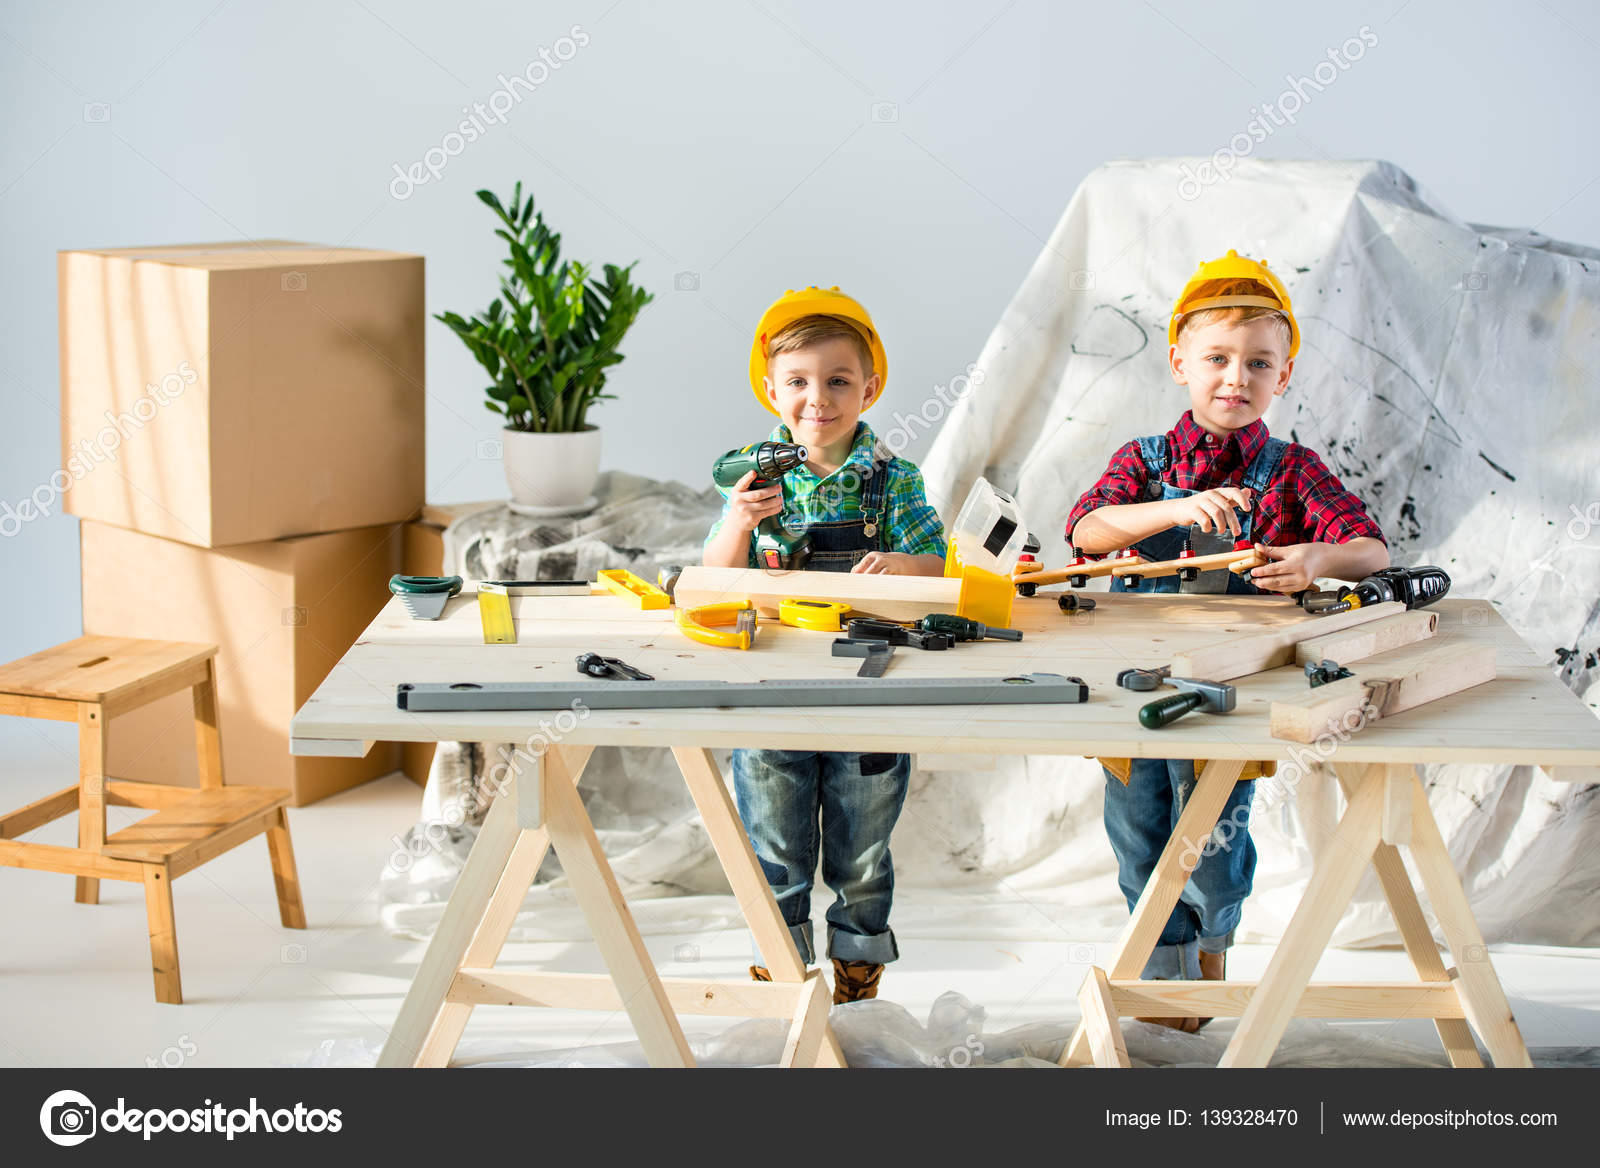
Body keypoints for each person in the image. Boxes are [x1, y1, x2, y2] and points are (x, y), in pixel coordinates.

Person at [1066, 251, 1390, 1030]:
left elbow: (1372, 550)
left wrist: (1317, 558)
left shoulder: (1291, 469)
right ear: (1179, 361)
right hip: (1139, 681)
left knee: (1215, 831)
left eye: (1258, 364)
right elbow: (1087, 529)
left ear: (1283, 376)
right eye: (1216, 359)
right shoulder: (1142, 463)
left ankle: (1210, 949)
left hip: (1235, 686)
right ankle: (1160, 974)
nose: (1234, 379)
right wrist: (1175, 513)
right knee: (1140, 827)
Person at [703, 285, 946, 1003]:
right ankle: (780, 970)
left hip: (870, 687)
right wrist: (739, 522)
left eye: (839, 381)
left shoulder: (893, 479)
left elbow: (937, 566)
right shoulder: (753, 476)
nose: (819, 400)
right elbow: (716, 578)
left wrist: (904, 566)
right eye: (799, 382)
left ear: (868, 387)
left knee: (861, 850)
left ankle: (856, 972)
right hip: (773, 688)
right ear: (771, 390)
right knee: (776, 846)